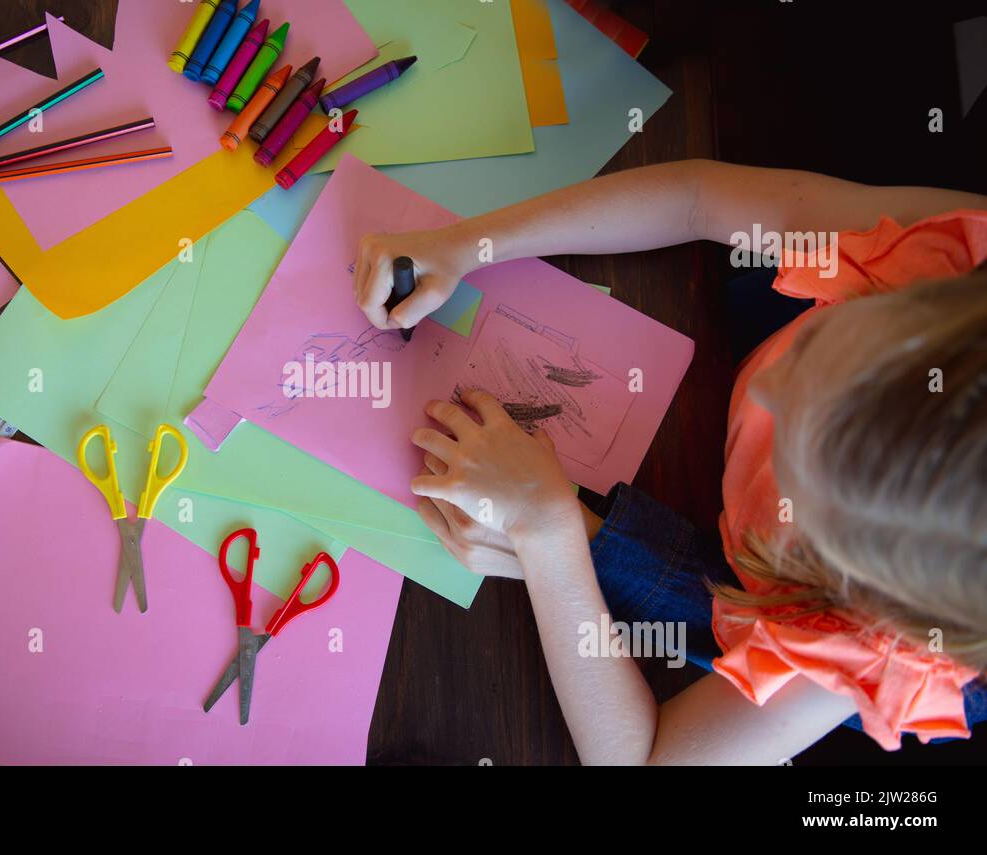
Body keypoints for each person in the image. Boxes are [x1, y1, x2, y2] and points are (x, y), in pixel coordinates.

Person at [353, 160, 987, 763]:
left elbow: (641, 760)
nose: (766, 391)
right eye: (815, 345)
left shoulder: (880, 644)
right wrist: (468, 244)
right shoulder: (957, 269)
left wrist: (551, 538)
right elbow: (698, 197)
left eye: (795, 435)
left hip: (747, 592)